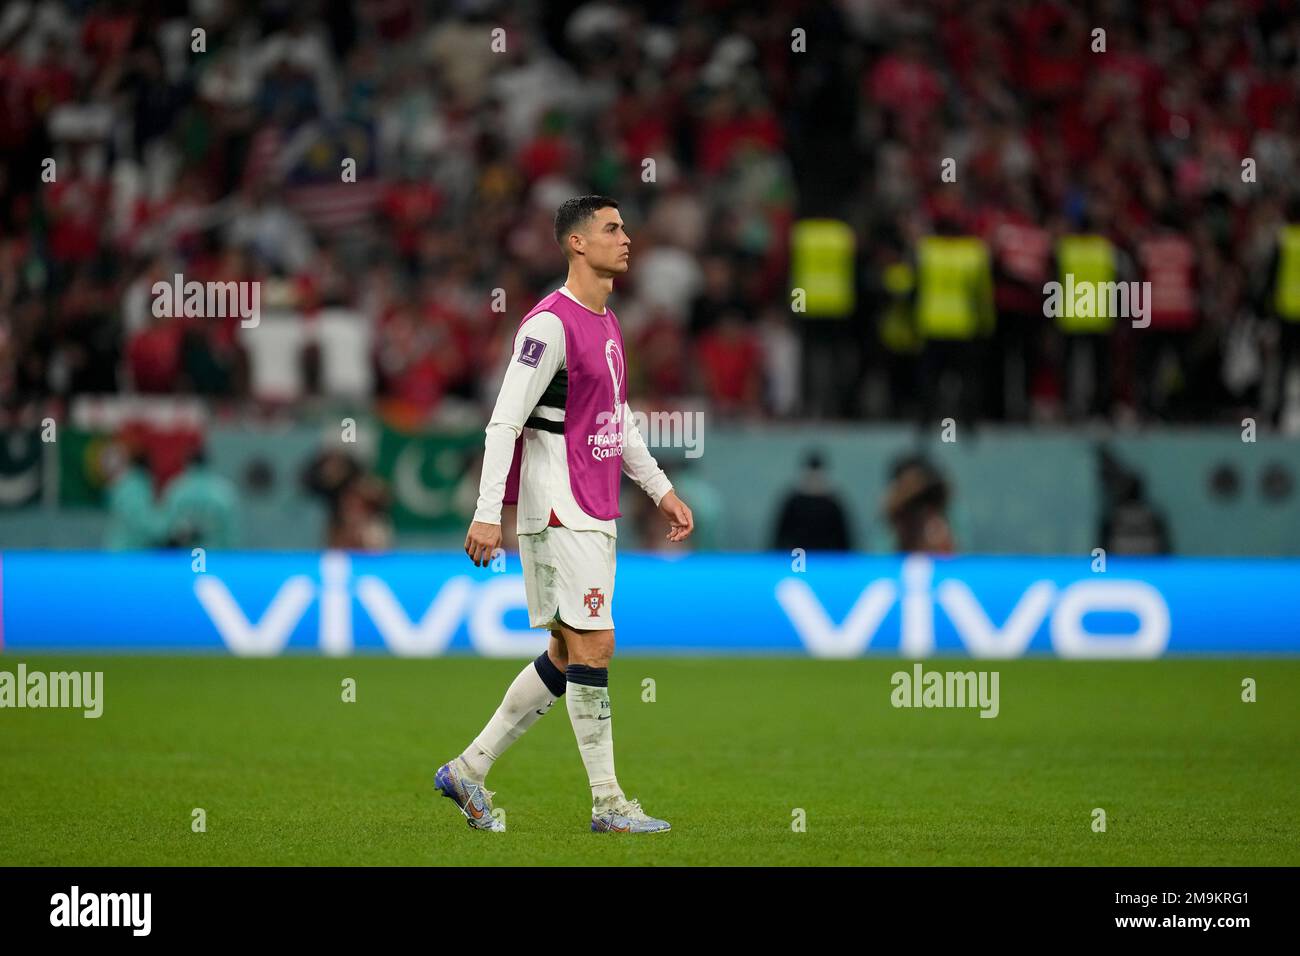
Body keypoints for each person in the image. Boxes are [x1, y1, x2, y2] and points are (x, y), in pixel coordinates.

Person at [440, 196, 694, 834]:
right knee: (596, 644)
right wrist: (486, 512)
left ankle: (468, 770)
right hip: (559, 508)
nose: (626, 237)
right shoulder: (547, 326)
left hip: (595, 505)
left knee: (564, 649)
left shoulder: (607, 322)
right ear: (577, 244)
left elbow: (617, 420)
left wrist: (659, 488)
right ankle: (608, 803)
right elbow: (504, 421)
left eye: (624, 226)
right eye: (612, 228)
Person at [772, 451, 853, 552]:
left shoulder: (833, 505)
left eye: (817, 478)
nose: (814, 481)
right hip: (798, 560)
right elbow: (779, 539)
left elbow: (844, 541)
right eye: (811, 477)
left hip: (827, 560)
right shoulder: (793, 503)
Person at [162, 446, 240, 549]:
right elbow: (232, 535)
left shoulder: (176, 490)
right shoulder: (224, 492)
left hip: (185, 560)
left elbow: (166, 529)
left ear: (188, 463)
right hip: (216, 559)